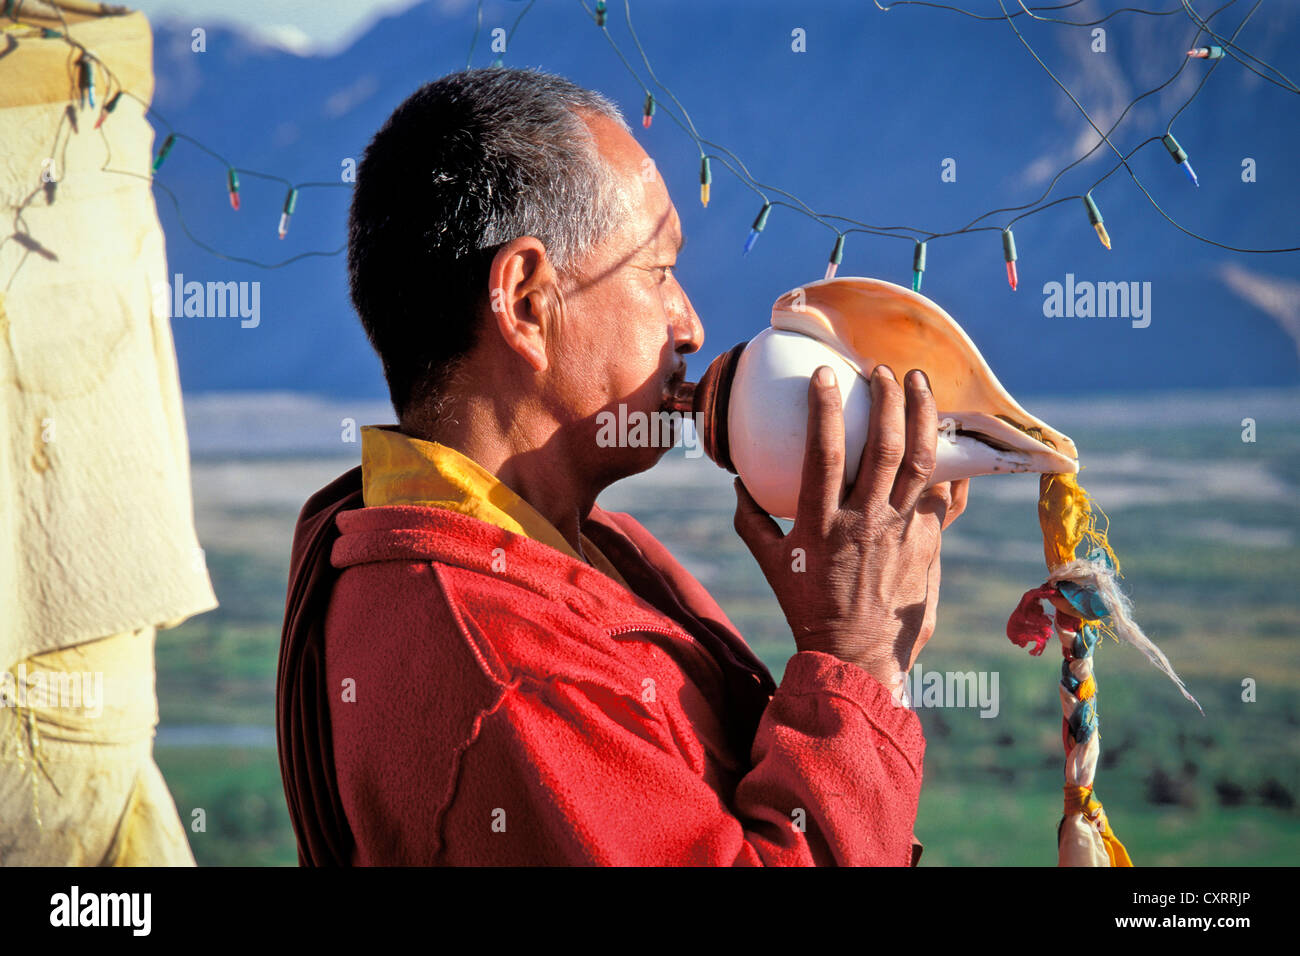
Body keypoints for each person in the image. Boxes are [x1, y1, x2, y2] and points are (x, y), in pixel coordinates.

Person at [277, 66, 969, 866]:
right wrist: (856, 659)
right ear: (529, 304)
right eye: (659, 271)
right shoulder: (510, 674)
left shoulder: (584, 546)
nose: (692, 325)